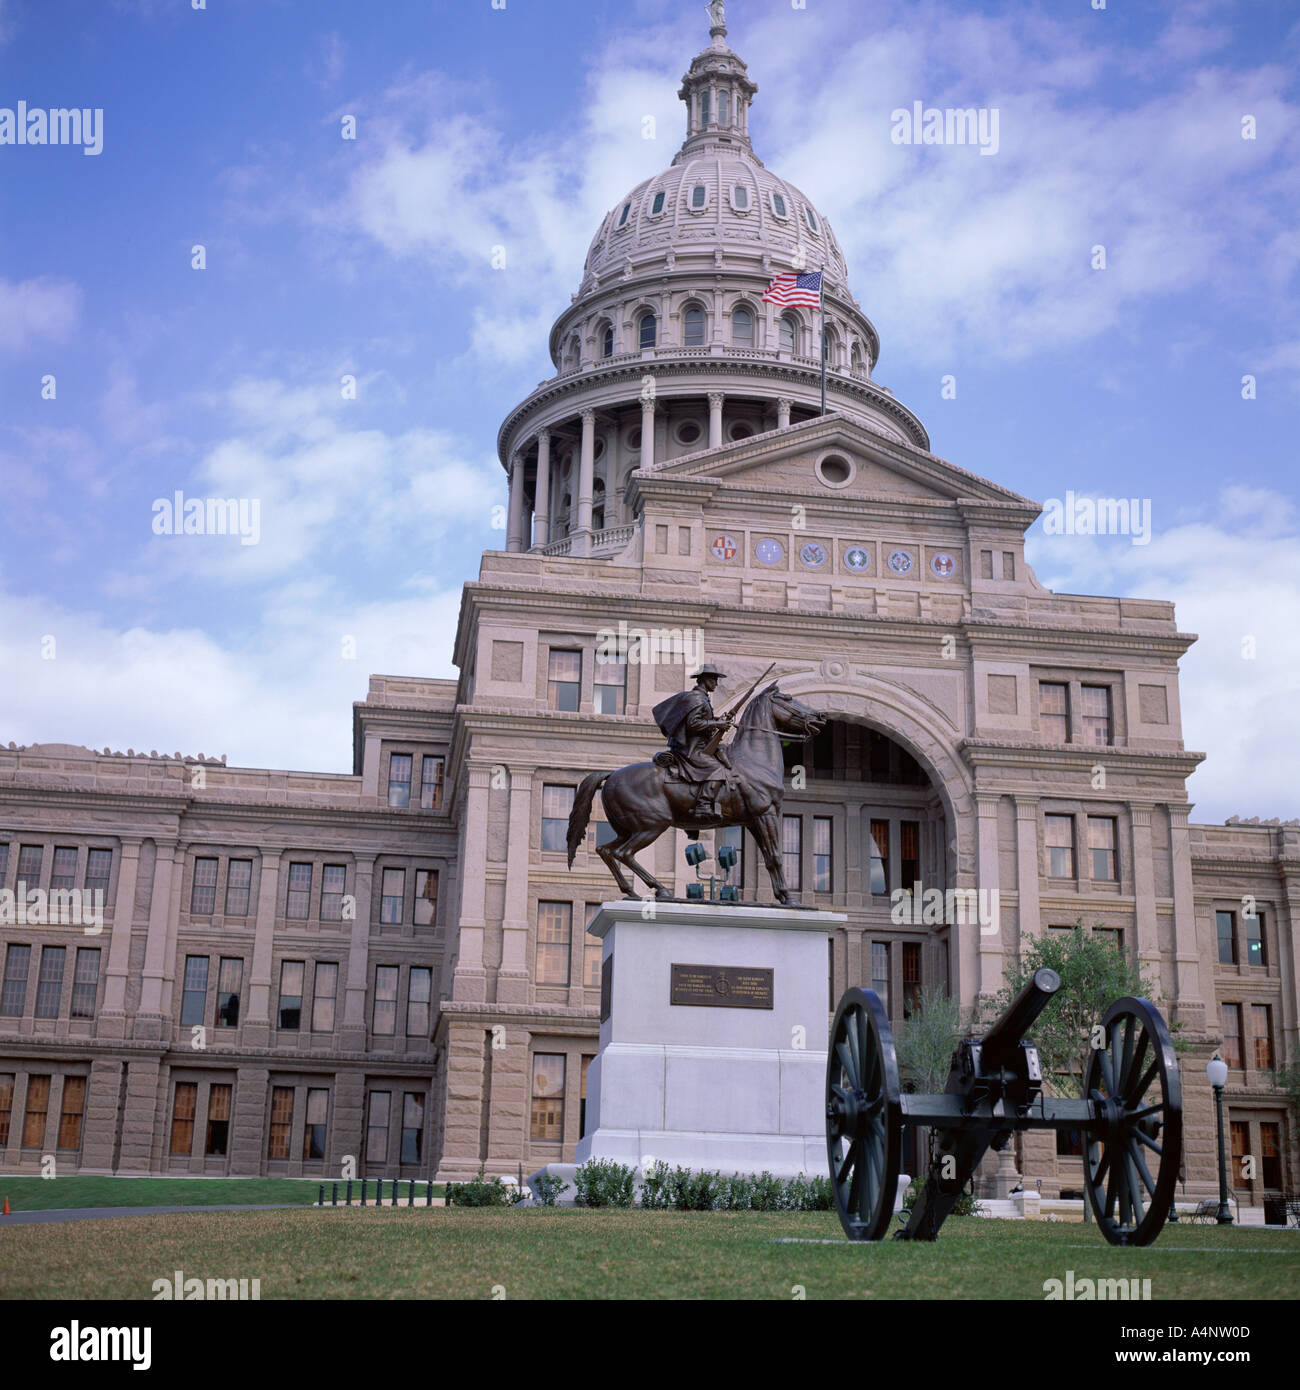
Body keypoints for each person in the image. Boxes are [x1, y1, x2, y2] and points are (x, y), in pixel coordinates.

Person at [651, 663, 733, 820]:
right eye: (713, 679)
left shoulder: (701, 698)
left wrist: (717, 720)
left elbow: (701, 720)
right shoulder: (696, 698)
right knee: (717, 770)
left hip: (699, 745)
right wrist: (717, 724)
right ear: (704, 680)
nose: (716, 683)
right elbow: (693, 724)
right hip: (691, 749)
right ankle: (703, 805)